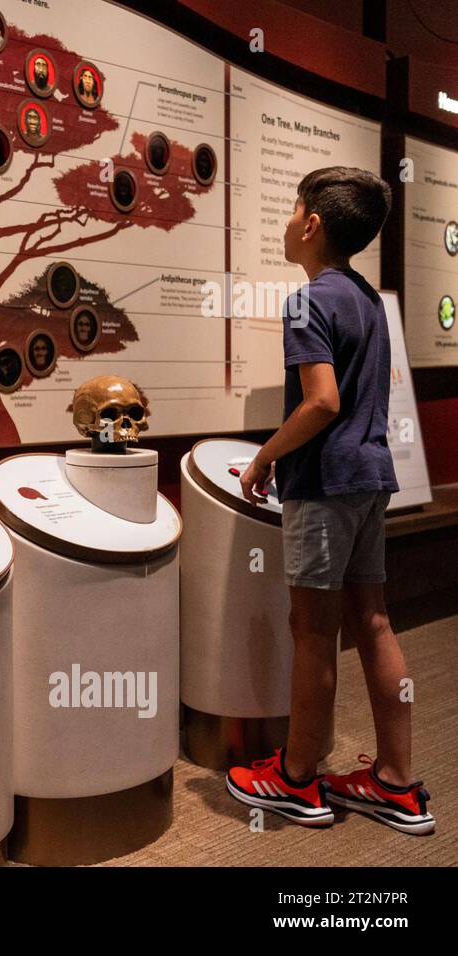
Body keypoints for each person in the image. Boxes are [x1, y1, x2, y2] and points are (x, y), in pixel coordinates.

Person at [226, 167, 434, 836]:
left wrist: (266, 455)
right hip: (372, 477)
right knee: (373, 621)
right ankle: (398, 783)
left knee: (313, 629)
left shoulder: (309, 301)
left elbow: (322, 401)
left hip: (324, 483)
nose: (287, 221)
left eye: (292, 210)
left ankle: (296, 779)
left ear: (312, 224)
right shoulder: (369, 300)